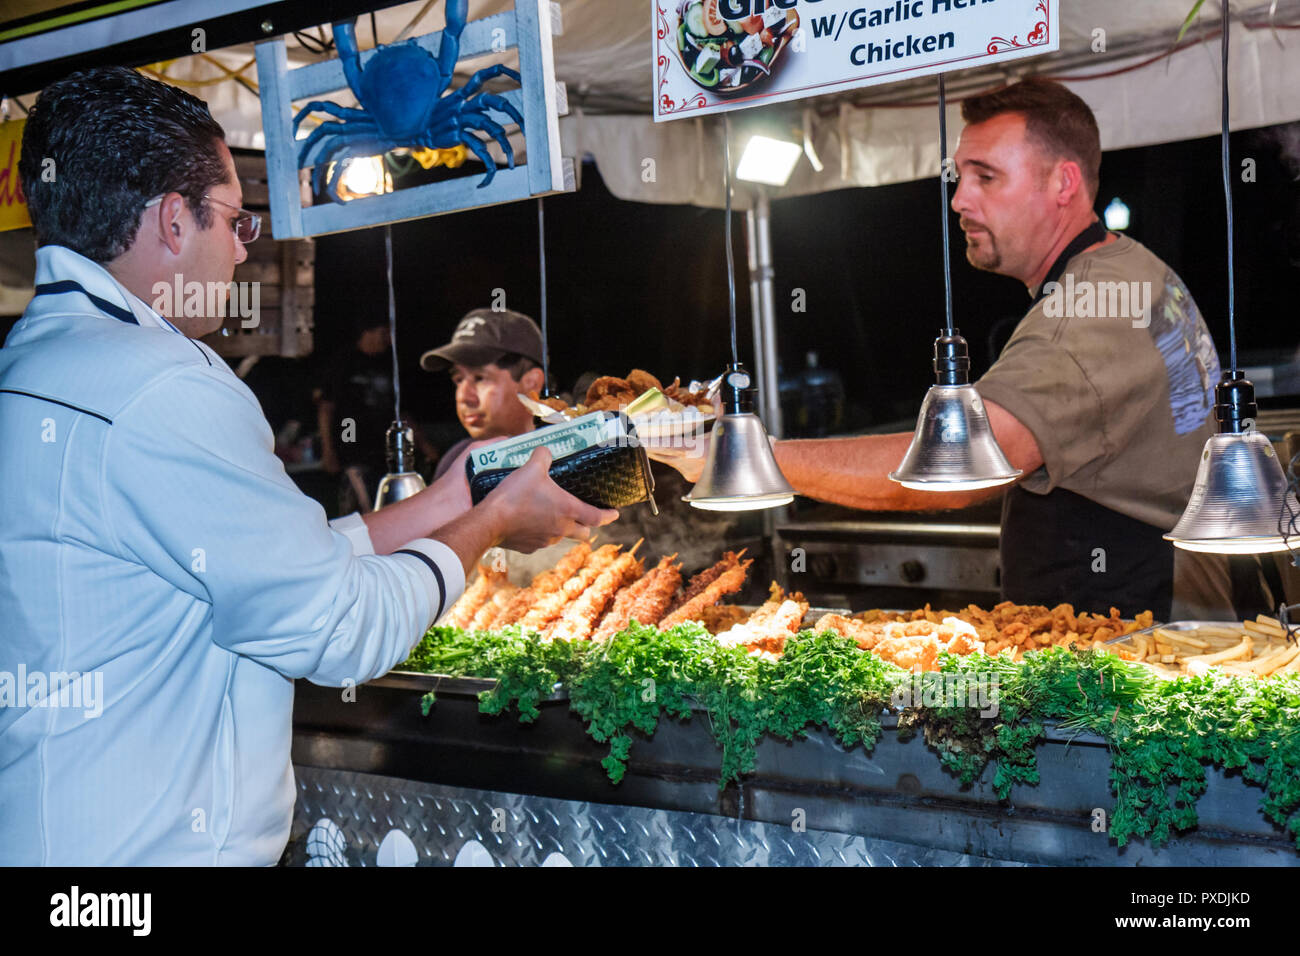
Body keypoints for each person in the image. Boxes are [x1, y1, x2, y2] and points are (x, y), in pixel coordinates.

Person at [0, 66, 616, 866]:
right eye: (234, 220)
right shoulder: (162, 388)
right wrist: (494, 522)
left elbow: (276, 564)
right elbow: (341, 628)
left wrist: (451, 498)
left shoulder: (37, 358)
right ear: (172, 220)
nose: (240, 250)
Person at [660, 78, 1232, 621]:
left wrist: (746, 455)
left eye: (986, 177)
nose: (959, 200)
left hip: (1135, 628)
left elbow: (961, 467)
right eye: (960, 178)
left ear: (1063, 184)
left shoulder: (1087, 310)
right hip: (1145, 599)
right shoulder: (1130, 269)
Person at [316, 314, 438, 514]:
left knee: (390, 509)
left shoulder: (390, 363)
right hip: (352, 450)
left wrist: (424, 445)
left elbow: (403, 412)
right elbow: (326, 408)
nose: (388, 338)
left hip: (385, 453)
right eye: (383, 332)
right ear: (367, 332)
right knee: (363, 510)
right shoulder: (343, 363)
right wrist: (327, 450)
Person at [421, 307, 545, 480]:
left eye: (480, 378)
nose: (463, 397)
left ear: (531, 383)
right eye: (458, 379)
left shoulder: (573, 455)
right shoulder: (457, 461)